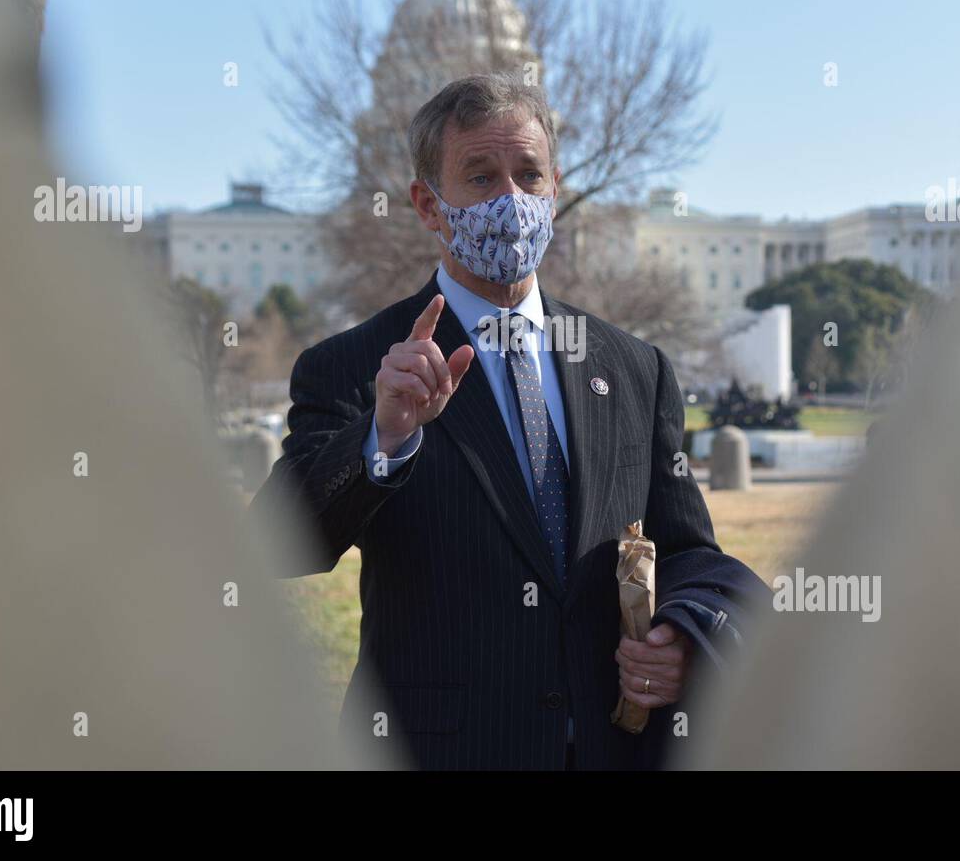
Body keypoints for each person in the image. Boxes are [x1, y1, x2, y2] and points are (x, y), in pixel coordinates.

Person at [251, 73, 769, 770]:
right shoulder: (358, 365)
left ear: (555, 187)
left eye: (529, 175)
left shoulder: (634, 367)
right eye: (480, 176)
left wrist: (677, 635)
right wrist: (386, 437)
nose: (512, 200)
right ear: (428, 206)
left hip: (612, 751)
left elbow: (685, 552)